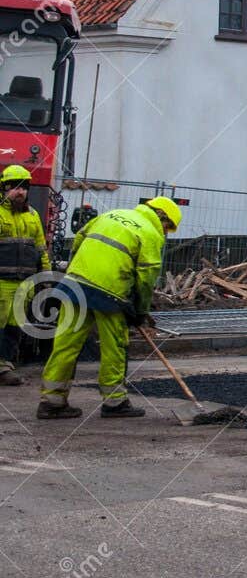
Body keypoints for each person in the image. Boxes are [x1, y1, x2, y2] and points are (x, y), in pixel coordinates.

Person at [38, 196, 181, 419]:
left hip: (75, 285)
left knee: (65, 345)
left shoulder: (109, 215)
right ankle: (115, 402)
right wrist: (140, 311)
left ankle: (52, 402)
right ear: (163, 218)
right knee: (114, 347)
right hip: (111, 293)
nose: (165, 232)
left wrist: (78, 269)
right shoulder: (150, 233)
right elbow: (146, 278)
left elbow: (78, 240)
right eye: (168, 227)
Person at [0, 165, 47, 386]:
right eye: (15, 188)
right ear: (5, 189)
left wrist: (45, 276)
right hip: (2, 283)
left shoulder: (33, 215)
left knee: (13, 327)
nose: (20, 192)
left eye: (24, 188)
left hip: (25, 283)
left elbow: (40, 248)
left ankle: (5, 365)